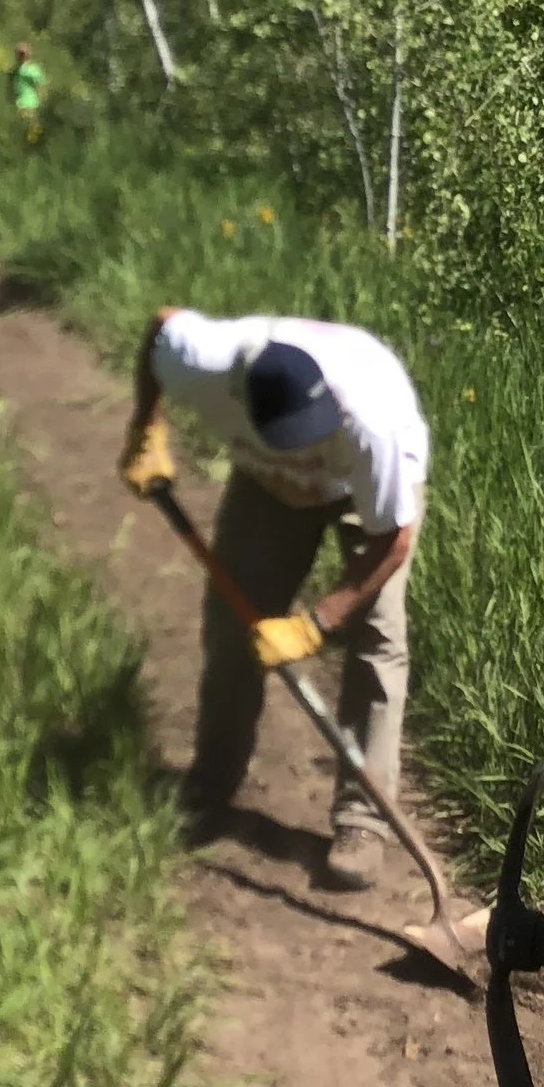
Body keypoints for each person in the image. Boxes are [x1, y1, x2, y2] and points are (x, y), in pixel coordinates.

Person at [118, 307, 427, 889]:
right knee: (232, 625)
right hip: (264, 487)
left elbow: (394, 542)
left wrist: (317, 622)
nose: (297, 452)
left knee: (377, 638)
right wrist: (146, 424)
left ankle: (363, 820)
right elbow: (158, 323)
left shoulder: (374, 422)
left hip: (358, 487)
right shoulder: (205, 361)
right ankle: (212, 780)